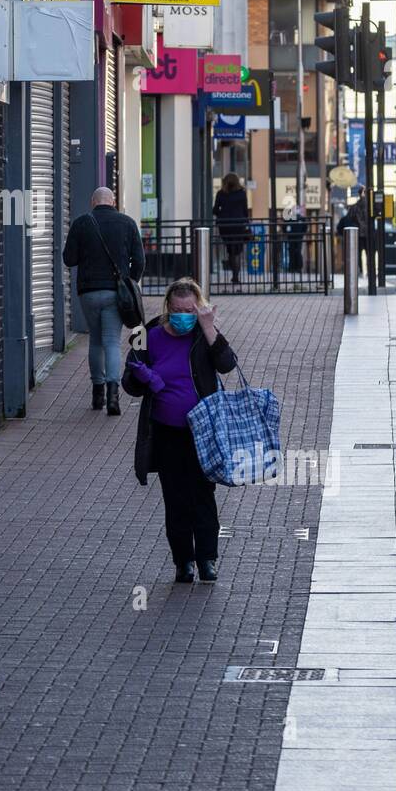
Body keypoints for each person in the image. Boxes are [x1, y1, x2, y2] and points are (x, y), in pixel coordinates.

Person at [122, 276, 237, 583]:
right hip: (166, 429)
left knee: (203, 495)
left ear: (198, 308)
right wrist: (143, 377)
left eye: (190, 310)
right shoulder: (147, 333)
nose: (183, 316)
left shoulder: (203, 333)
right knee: (175, 497)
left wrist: (209, 326)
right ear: (167, 307)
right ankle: (183, 561)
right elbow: (129, 381)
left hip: (203, 430)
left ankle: (207, 559)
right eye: (177, 310)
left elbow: (227, 364)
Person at [63, 186, 145, 416]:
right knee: (111, 341)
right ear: (113, 201)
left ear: (93, 202)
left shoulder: (81, 223)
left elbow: (69, 259)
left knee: (95, 341)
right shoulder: (127, 223)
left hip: (88, 292)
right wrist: (130, 282)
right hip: (115, 293)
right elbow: (139, 260)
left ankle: (97, 393)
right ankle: (113, 397)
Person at [213, 172, 251, 284]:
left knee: (230, 250)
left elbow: (215, 210)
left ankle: (233, 273)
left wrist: (222, 213)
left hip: (225, 225)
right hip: (239, 225)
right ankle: (236, 276)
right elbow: (245, 210)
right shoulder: (242, 193)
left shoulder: (221, 193)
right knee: (237, 252)